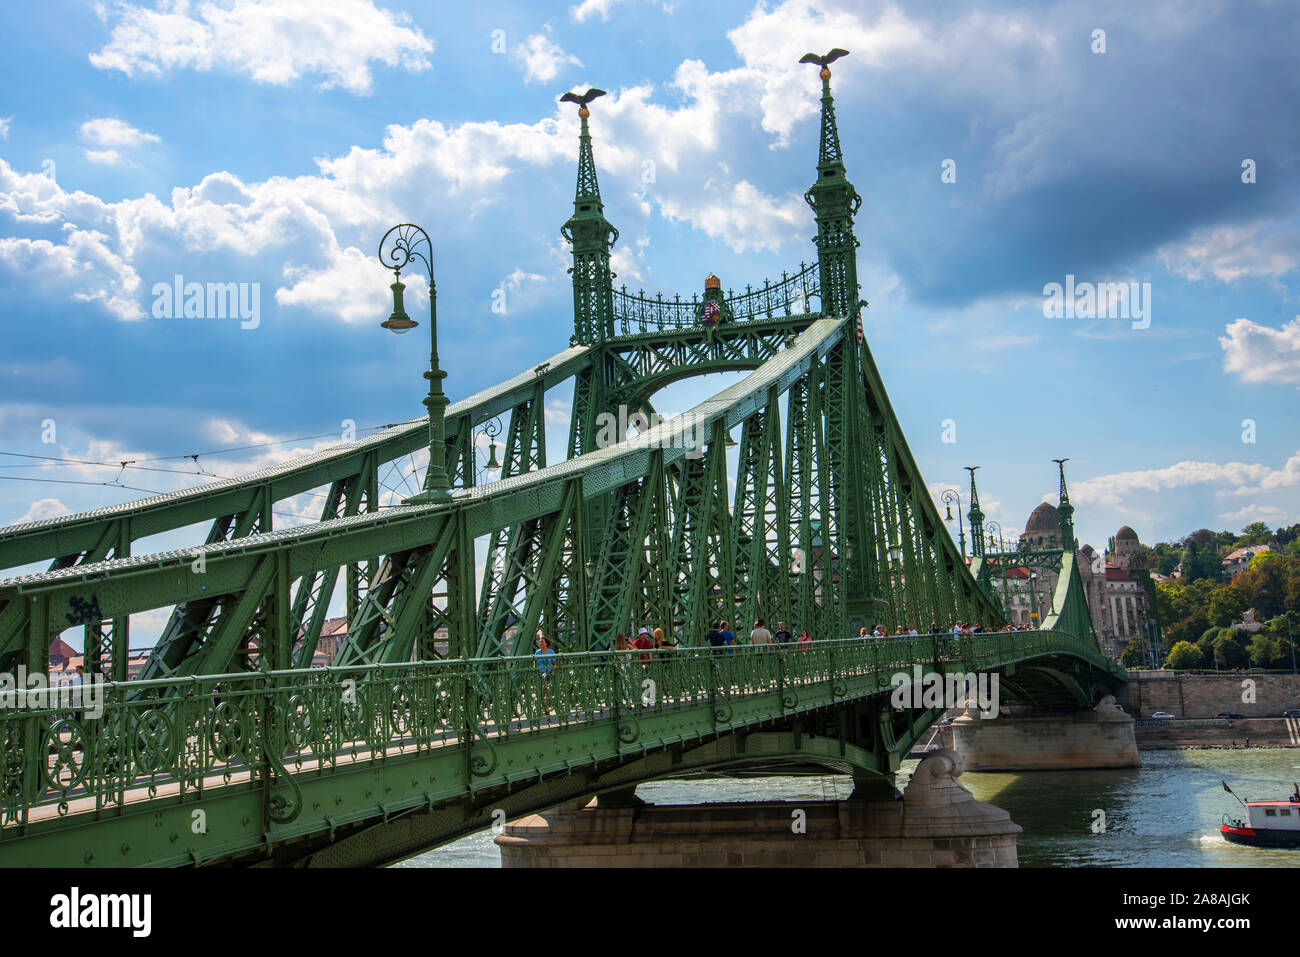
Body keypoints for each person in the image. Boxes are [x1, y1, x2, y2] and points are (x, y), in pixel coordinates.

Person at [534, 634, 556, 712]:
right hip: (539, 674)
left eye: (542, 642)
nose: (541, 643)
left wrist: (553, 672)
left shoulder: (551, 652)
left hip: (548, 674)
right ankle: (542, 707)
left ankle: (546, 708)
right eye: (540, 642)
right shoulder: (537, 652)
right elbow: (535, 663)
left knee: (545, 690)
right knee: (539, 691)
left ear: (546, 643)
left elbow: (554, 663)